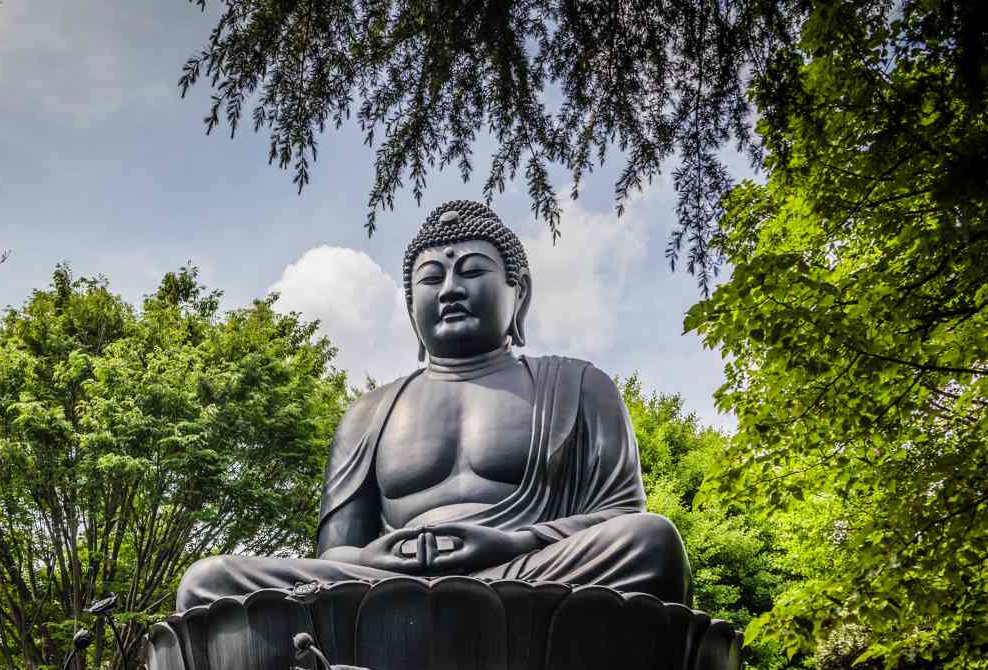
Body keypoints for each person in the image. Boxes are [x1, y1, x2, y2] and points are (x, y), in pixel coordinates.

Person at [177, 200, 690, 609]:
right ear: (410, 306)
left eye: (471, 271)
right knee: (211, 581)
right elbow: (336, 554)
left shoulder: (578, 385)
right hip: (387, 589)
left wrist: (512, 543)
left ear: (520, 293)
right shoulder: (368, 414)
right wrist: (377, 556)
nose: (450, 290)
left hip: (528, 576)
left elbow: (619, 516)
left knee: (651, 543)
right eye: (431, 278)